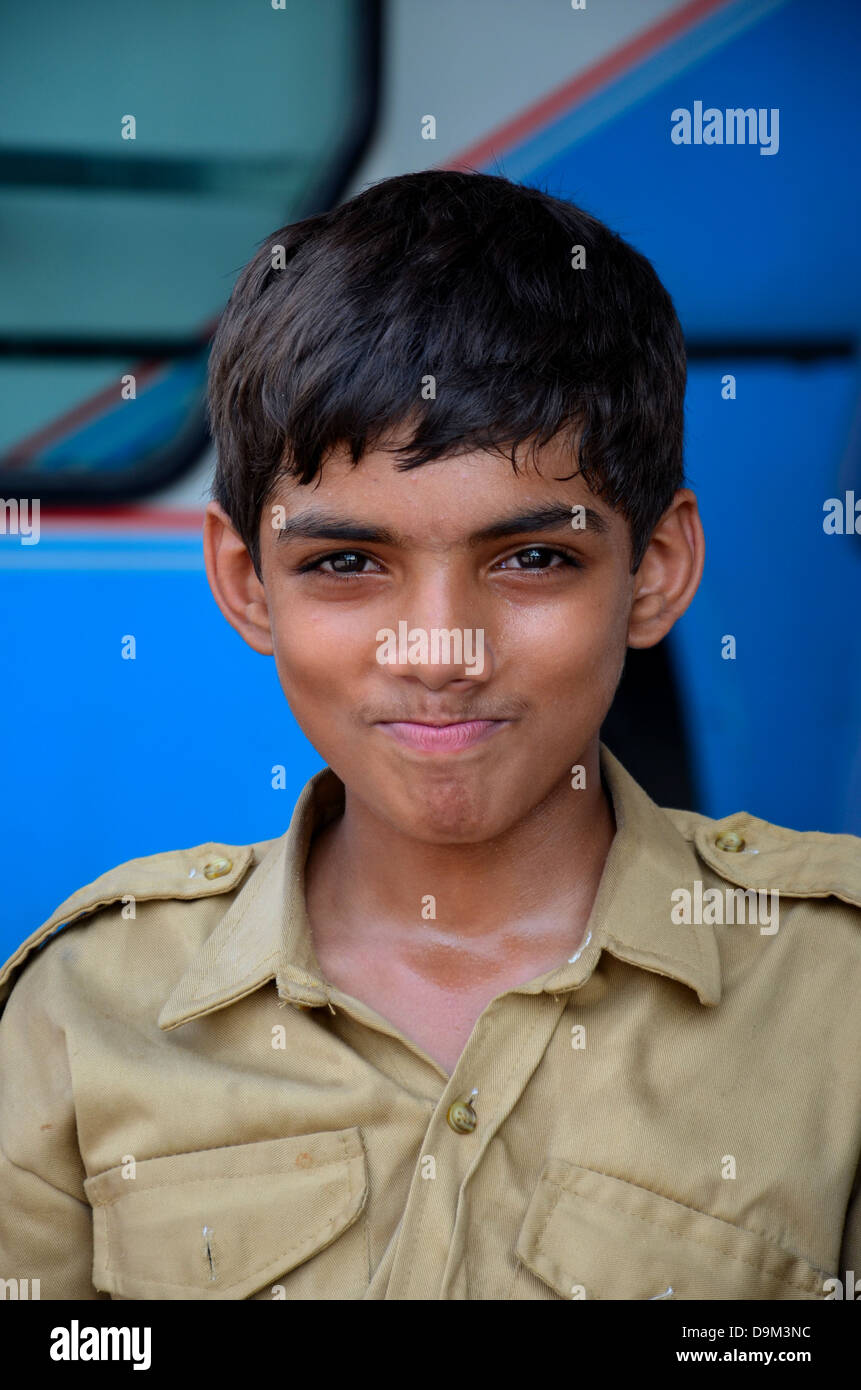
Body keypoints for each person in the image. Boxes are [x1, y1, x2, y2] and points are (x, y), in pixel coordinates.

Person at [1, 170, 858, 1301]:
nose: (442, 650)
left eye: (534, 558)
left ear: (655, 569)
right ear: (245, 582)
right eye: (347, 564)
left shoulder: (832, 991)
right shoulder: (86, 1003)